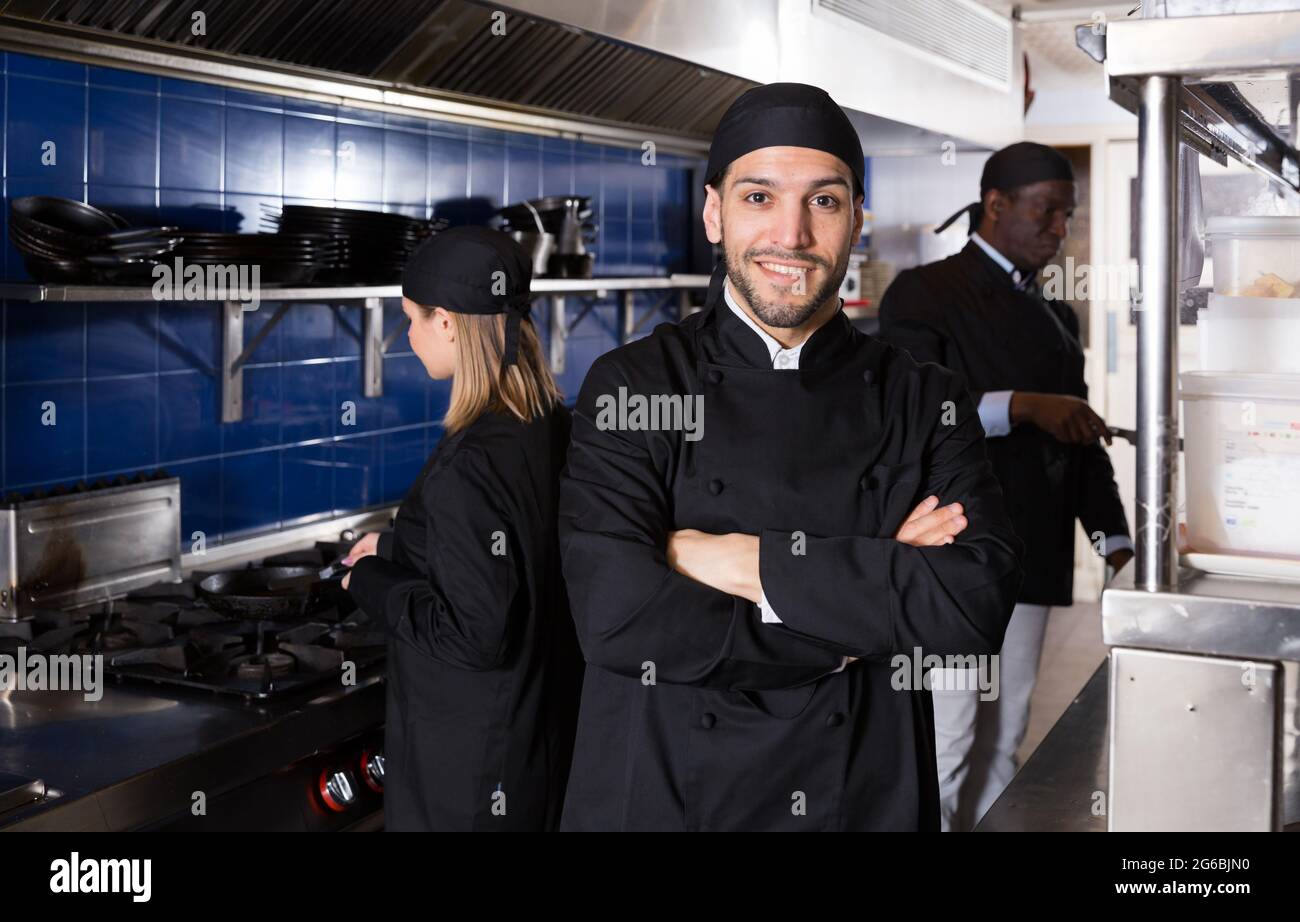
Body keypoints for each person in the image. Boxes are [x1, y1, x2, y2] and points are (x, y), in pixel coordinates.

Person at [557, 83, 1023, 831]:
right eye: (758, 197)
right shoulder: (635, 383)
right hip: (667, 796)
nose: (792, 234)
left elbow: (973, 604)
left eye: (825, 201)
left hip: (861, 794)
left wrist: (737, 559)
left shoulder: (922, 395)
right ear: (714, 214)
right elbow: (617, 616)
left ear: (857, 219)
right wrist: (854, 620)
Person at [878, 142, 1133, 831]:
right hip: (954, 551)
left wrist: (1115, 541)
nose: (1060, 230)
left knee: (1004, 734)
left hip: (1033, 555)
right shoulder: (923, 293)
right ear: (996, 205)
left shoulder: (1059, 317)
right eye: (1047, 212)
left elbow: (1078, 443)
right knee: (948, 736)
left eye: (1067, 217)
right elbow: (911, 416)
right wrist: (1021, 404)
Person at [343, 226, 583, 831]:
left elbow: (476, 636)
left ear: (447, 321)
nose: (407, 337)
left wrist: (370, 582)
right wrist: (398, 546)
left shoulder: (468, 464)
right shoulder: (550, 425)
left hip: (470, 776)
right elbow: (519, 548)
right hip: (542, 741)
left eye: (411, 320)